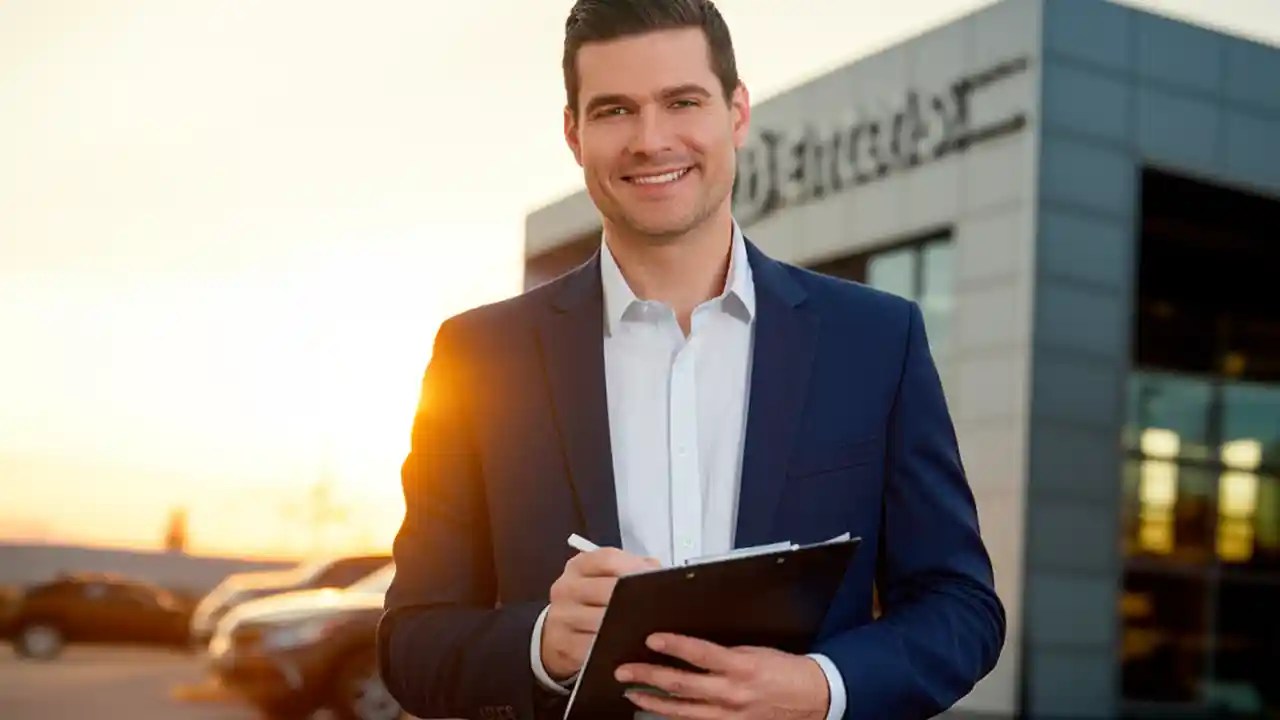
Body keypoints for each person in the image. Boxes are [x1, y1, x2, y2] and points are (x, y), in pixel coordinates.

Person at [378, 1, 1005, 718]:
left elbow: (960, 609)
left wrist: (819, 687)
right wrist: (543, 642)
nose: (651, 140)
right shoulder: (480, 357)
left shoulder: (875, 340)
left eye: (682, 101)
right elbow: (410, 641)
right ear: (573, 134)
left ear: (736, 113)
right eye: (614, 110)